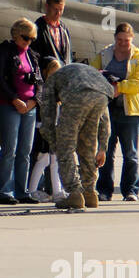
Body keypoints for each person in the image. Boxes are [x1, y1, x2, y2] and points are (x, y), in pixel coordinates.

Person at [37, 60, 111, 210]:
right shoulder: (78, 73)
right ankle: (90, 193)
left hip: (76, 96)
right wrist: (103, 146)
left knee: (66, 150)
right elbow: (105, 119)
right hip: (103, 93)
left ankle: (75, 193)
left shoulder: (52, 80)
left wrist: (55, 143)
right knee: (87, 147)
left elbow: (47, 117)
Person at [0, 17, 42, 203]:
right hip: (9, 105)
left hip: (29, 107)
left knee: (26, 150)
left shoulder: (31, 54)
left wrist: (34, 100)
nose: (28, 42)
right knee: (10, 148)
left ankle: (22, 191)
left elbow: (40, 80)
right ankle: (4, 191)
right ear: (16, 35)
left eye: (32, 39)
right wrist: (14, 98)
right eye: (26, 38)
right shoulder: (5, 51)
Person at [92, 23, 139, 202]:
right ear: (114, 39)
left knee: (130, 153)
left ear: (132, 40)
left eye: (126, 40)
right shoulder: (104, 55)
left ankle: (131, 190)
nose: (123, 43)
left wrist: (119, 88)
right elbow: (92, 73)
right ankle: (104, 190)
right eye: (119, 40)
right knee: (105, 151)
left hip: (130, 111)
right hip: (107, 110)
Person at [27, 57, 66, 203]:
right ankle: (34, 190)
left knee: (51, 160)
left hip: (52, 128)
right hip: (45, 129)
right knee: (45, 159)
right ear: (45, 72)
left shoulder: (53, 88)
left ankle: (55, 190)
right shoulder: (45, 89)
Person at [31, 0, 72, 65]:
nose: (58, 13)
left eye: (61, 9)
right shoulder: (38, 28)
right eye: (55, 9)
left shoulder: (64, 30)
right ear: (47, 6)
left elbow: (68, 57)